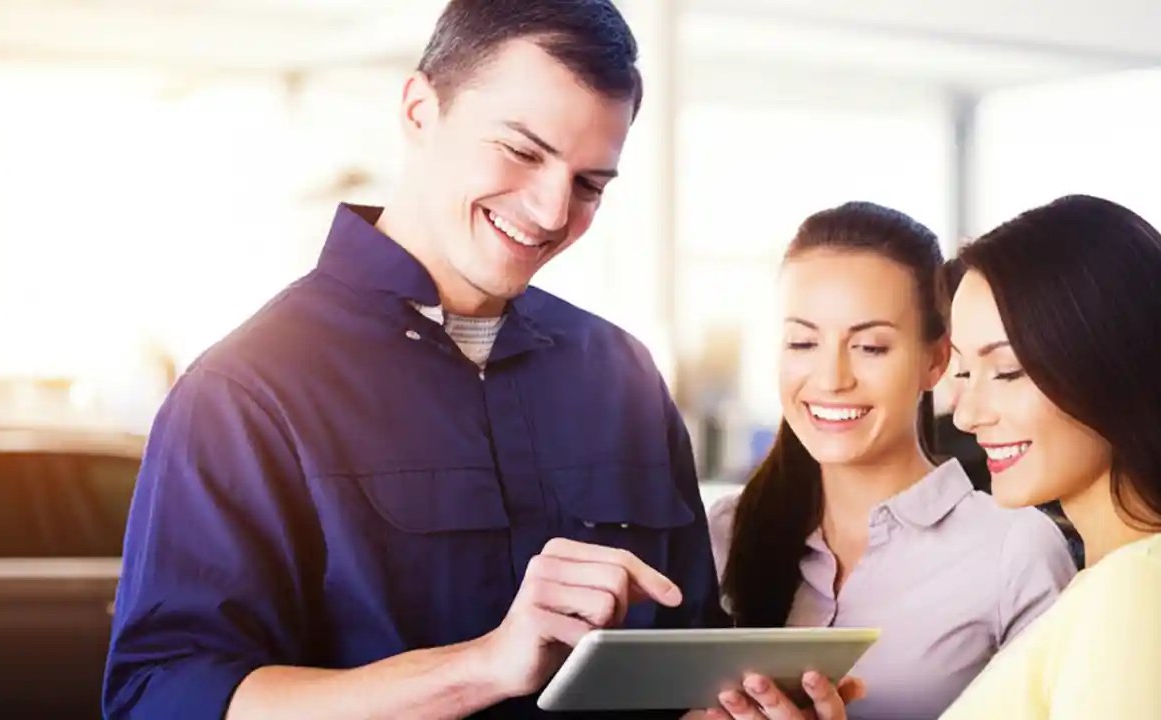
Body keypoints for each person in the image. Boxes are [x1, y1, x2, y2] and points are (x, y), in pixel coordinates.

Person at [103, 2, 724, 718]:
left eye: (590, 184)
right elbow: (161, 699)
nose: (554, 212)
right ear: (420, 111)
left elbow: (688, 656)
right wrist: (482, 668)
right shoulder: (246, 391)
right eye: (522, 152)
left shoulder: (623, 375)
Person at [743, 194, 1161, 719]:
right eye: (967, 374)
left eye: (1008, 372)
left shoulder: (1144, 587)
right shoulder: (1123, 584)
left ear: (1112, 366)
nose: (967, 417)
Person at [703, 202, 1076, 720]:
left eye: (871, 347)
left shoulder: (1015, 551)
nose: (831, 377)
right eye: (803, 342)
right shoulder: (724, 533)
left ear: (936, 360)